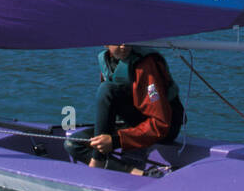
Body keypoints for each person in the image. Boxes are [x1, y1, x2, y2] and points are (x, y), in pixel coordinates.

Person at [79, 43, 184, 174]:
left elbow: (161, 124)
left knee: (106, 89)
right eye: (118, 41)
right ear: (105, 43)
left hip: (164, 128)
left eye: (128, 40)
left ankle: (98, 161)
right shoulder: (107, 61)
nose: (123, 46)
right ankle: (136, 172)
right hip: (134, 121)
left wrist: (117, 141)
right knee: (73, 144)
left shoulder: (146, 66)